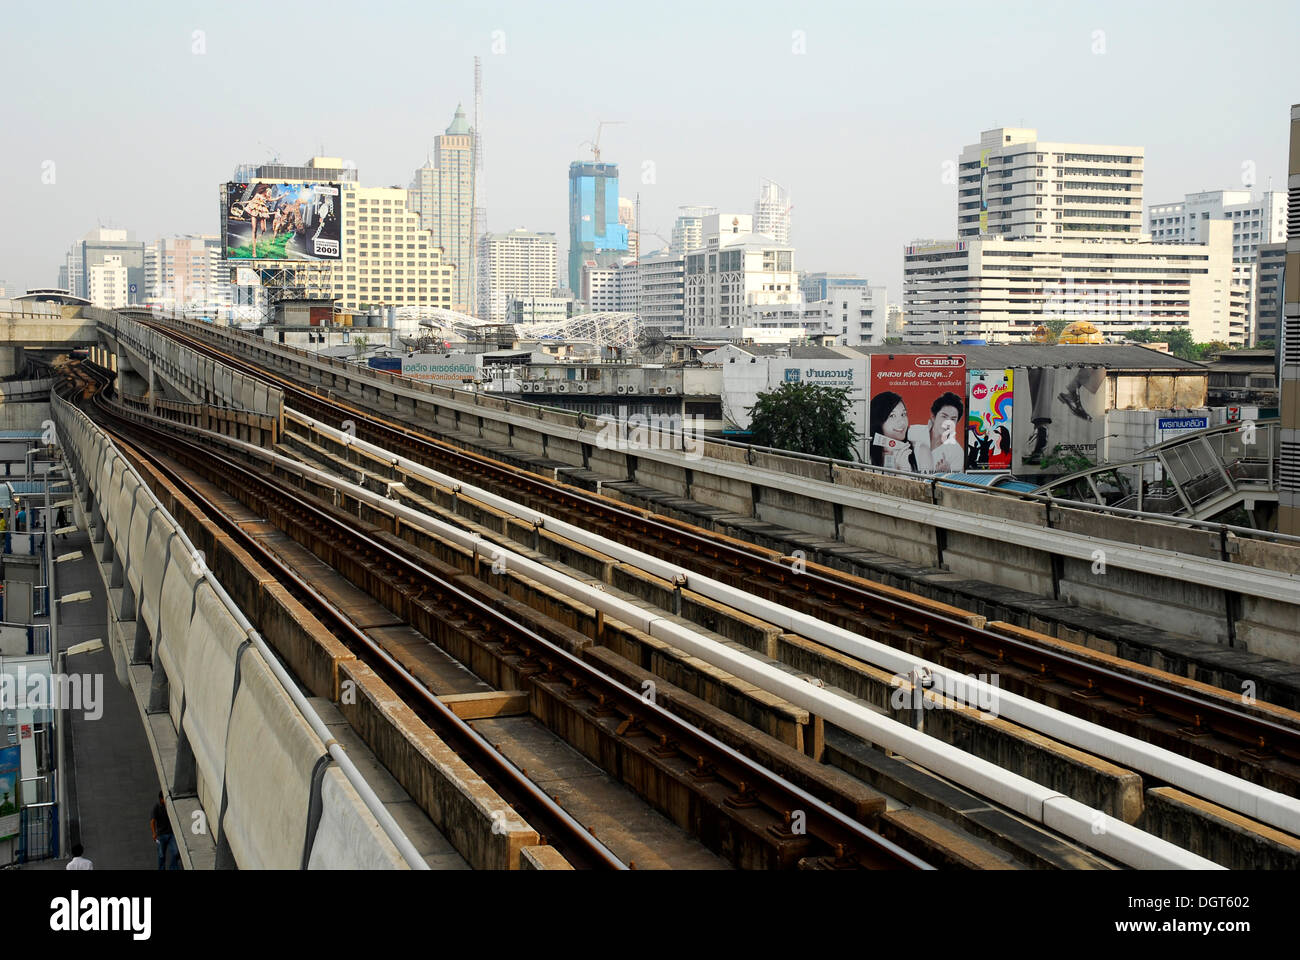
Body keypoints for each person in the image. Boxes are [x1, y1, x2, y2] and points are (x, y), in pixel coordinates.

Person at [868, 391, 916, 471]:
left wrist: (904, 469)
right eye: (892, 416)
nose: (902, 422)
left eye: (903, 414)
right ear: (878, 421)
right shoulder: (867, 453)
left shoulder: (916, 450)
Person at [151, 791, 180, 870]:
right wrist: (154, 834)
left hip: (171, 834)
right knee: (161, 855)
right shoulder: (156, 807)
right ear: (161, 799)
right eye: (165, 798)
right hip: (161, 835)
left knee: (176, 852)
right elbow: (152, 821)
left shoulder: (170, 806)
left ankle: (172, 868)